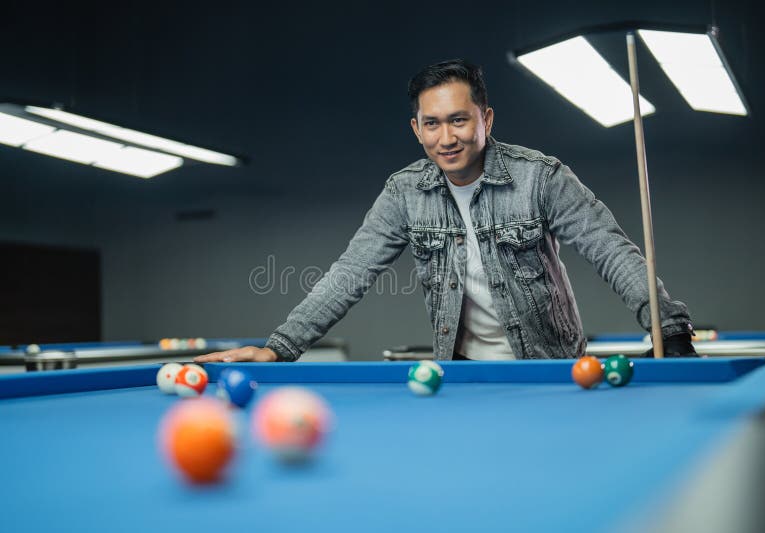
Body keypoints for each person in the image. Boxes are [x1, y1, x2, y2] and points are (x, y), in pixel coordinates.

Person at [195, 59, 695, 363]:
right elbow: (350, 273)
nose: (446, 137)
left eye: (459, 120)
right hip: (458, 375)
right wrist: (280, 347)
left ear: (486, 118)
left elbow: (609, 249)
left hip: (550, 369)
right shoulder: (403, 193)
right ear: (416, 129)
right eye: (431, 124)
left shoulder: (541, 177)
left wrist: (667, 328)